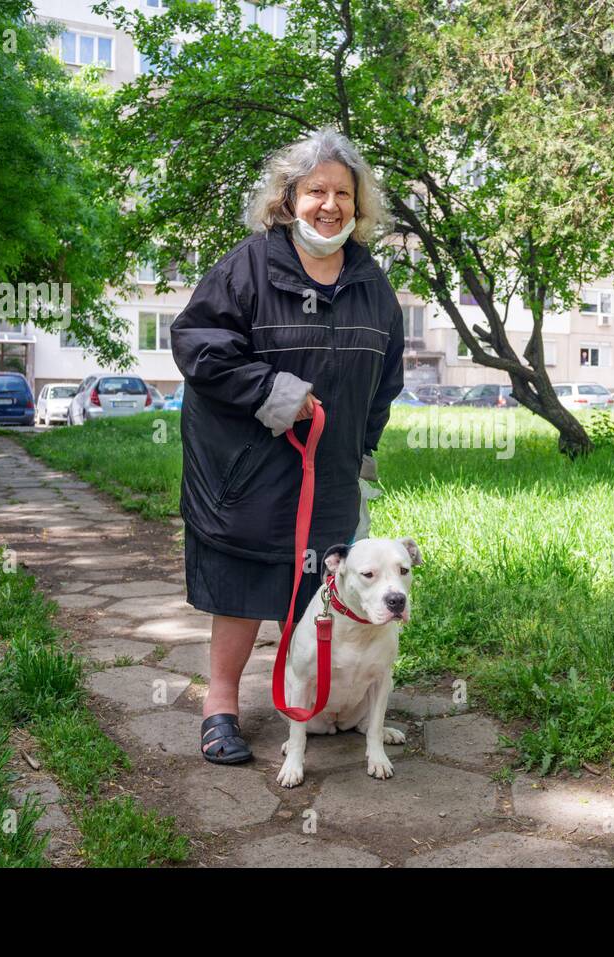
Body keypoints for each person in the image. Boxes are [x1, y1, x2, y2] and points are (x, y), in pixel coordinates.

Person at [170, 127, 404, 764]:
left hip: (328, 470)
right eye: (315, 191)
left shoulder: (371, 285)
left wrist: (361, 455)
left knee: (314, 588)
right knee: (243, 584)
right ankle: (220, 709)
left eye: (343, 194)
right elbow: (199, 346)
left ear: (358, 207)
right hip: (244, 466)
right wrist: (273, 390)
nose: (329, 205)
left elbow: (385, 381)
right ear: (288, 197)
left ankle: (317, 703)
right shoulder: (247, 265)